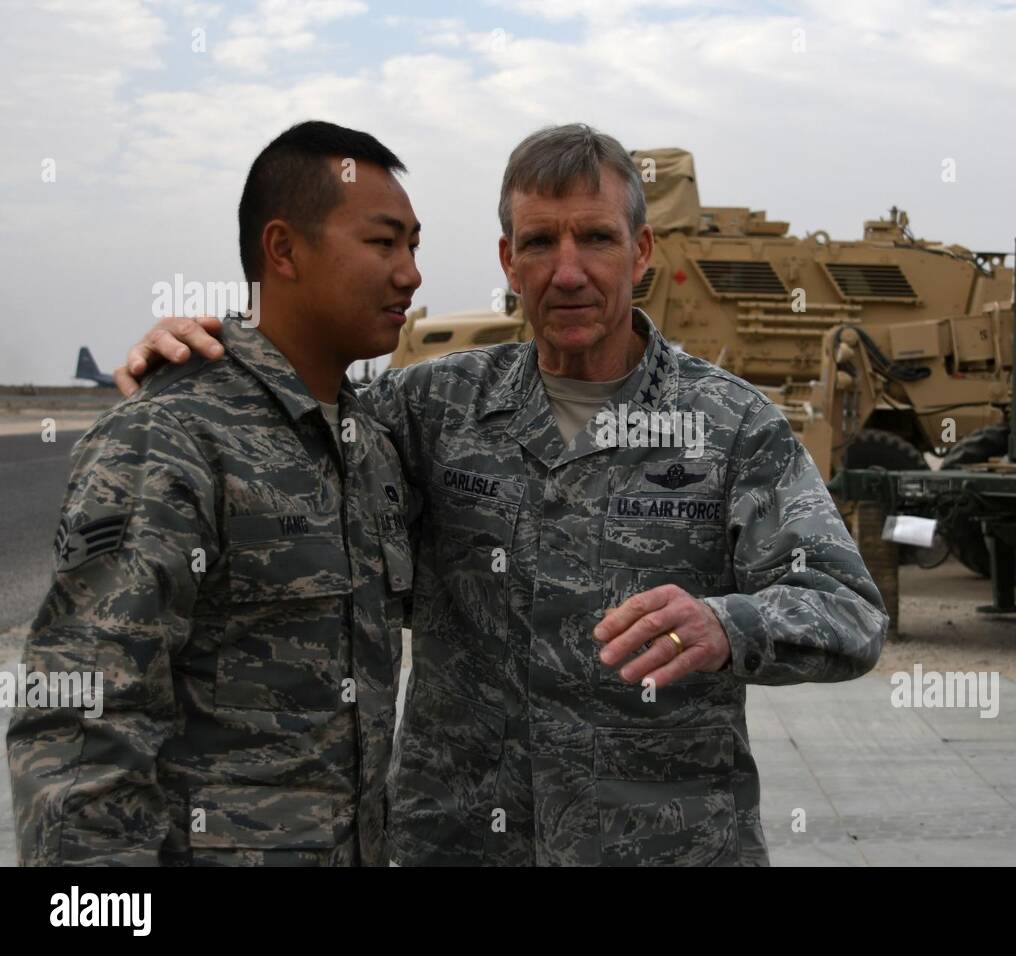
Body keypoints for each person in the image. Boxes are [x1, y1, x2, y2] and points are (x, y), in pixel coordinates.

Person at [117, 123, 888, 867]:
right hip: (461, 842)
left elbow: (849, 609)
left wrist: (727, 622)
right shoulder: (428, 410)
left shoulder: (729, 423)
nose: (569, 270)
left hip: (665, 844)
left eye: (596, 238)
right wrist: (209, 358)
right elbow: (294, 424)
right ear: (507, 260)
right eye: (540, 242)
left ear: (642, 252)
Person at [8, 120, 421, 866]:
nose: (411, 273)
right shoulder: (170, 435)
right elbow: (81, 725)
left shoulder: (370, 446)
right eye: (384, 242)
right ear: (284, 249)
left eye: (414, 246)